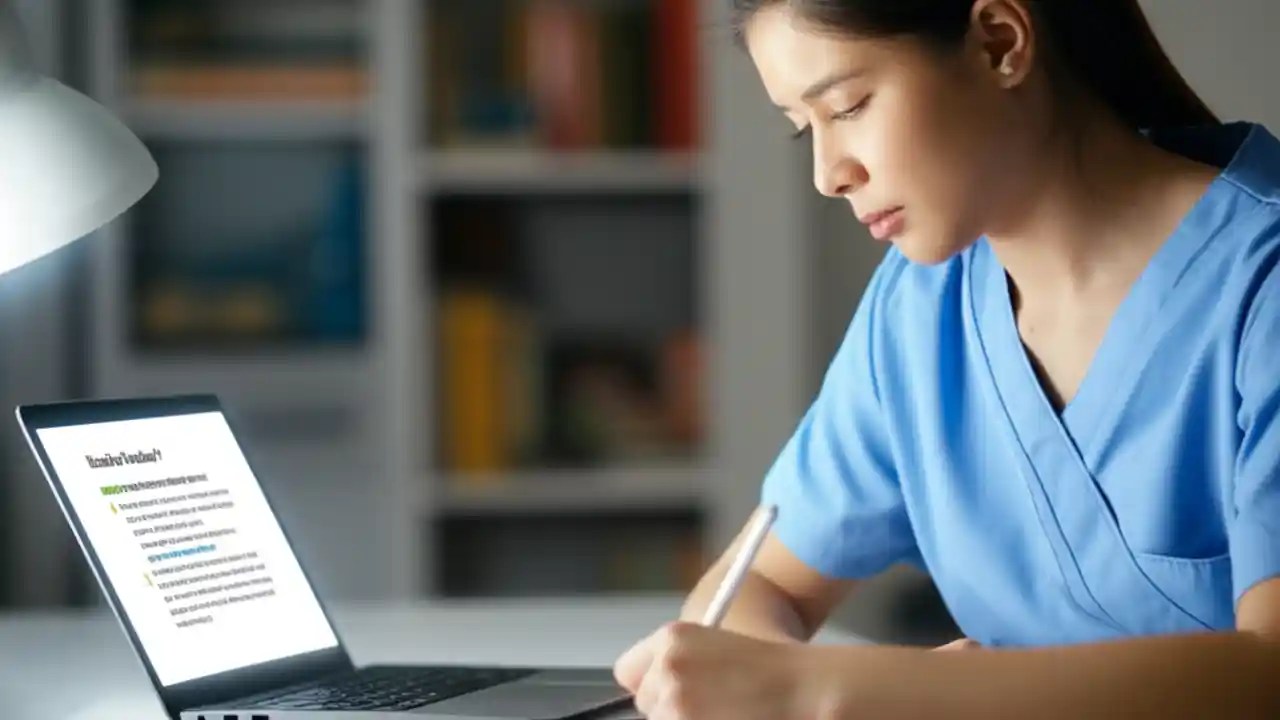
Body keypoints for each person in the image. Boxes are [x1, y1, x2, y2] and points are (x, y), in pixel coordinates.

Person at [613, 0, 1280, 717]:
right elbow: (755, 586)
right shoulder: (921, 306)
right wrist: (776, 683)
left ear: (998, 42)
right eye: (802, 128)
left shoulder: (1258, 284)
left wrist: (841, 692)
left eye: (848, 107)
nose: (828, 175)